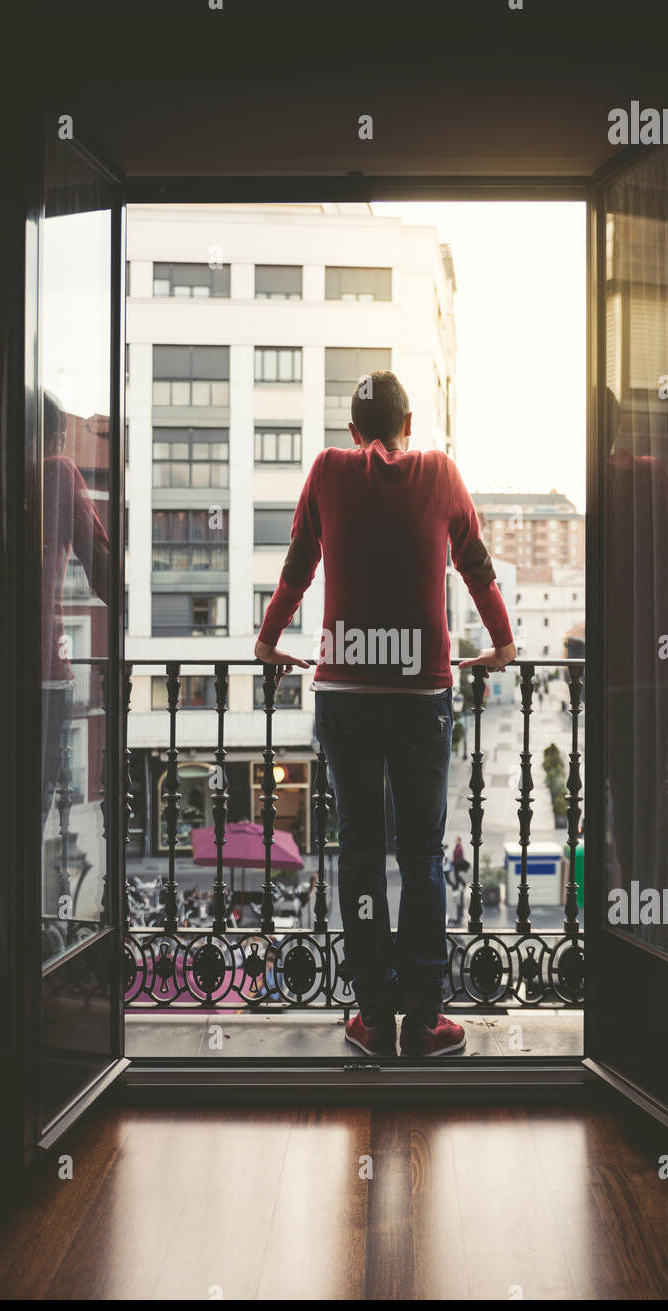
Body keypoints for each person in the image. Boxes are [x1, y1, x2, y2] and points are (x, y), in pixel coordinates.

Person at [255, 370, 515, 1058]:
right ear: (407, 425)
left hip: (343, 695)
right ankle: (425, 1022)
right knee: (424, 856)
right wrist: (502, 642)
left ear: (352, 431)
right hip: (420, 698)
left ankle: (371, 1016)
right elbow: (478, 566)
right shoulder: (441, 472)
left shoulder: (328, 470)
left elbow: (297, 565)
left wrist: (268, 635)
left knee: (362, 855)